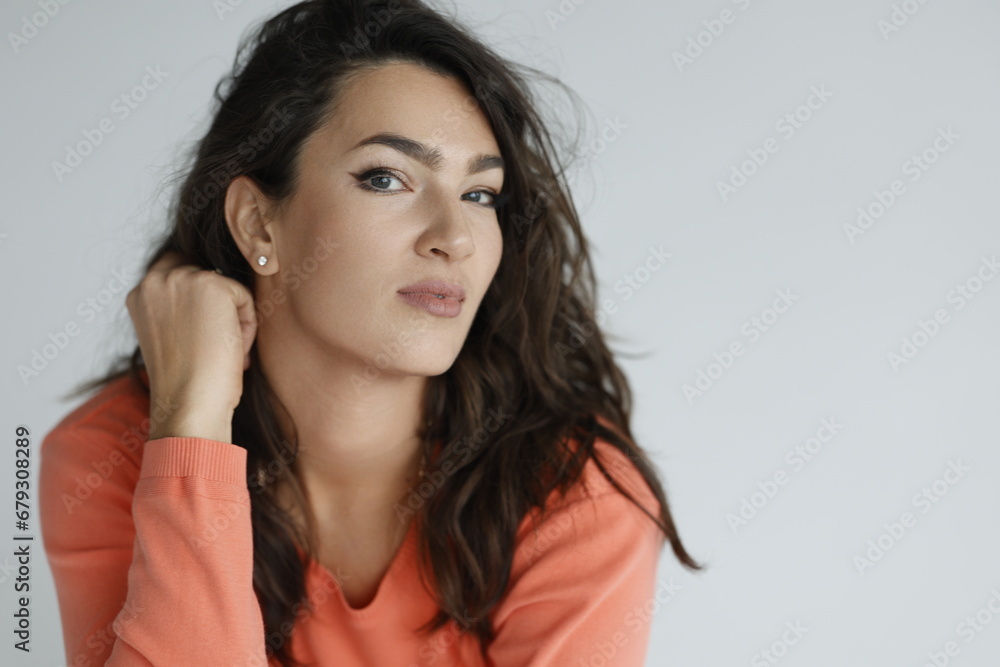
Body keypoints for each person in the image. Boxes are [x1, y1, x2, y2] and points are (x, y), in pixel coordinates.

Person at [38, 0, 704, 665]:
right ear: (258, 223)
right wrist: (190, 430)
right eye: (387, 178)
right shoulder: (111, 458)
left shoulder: (570, 489)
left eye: (480, 194)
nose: (454, 238)